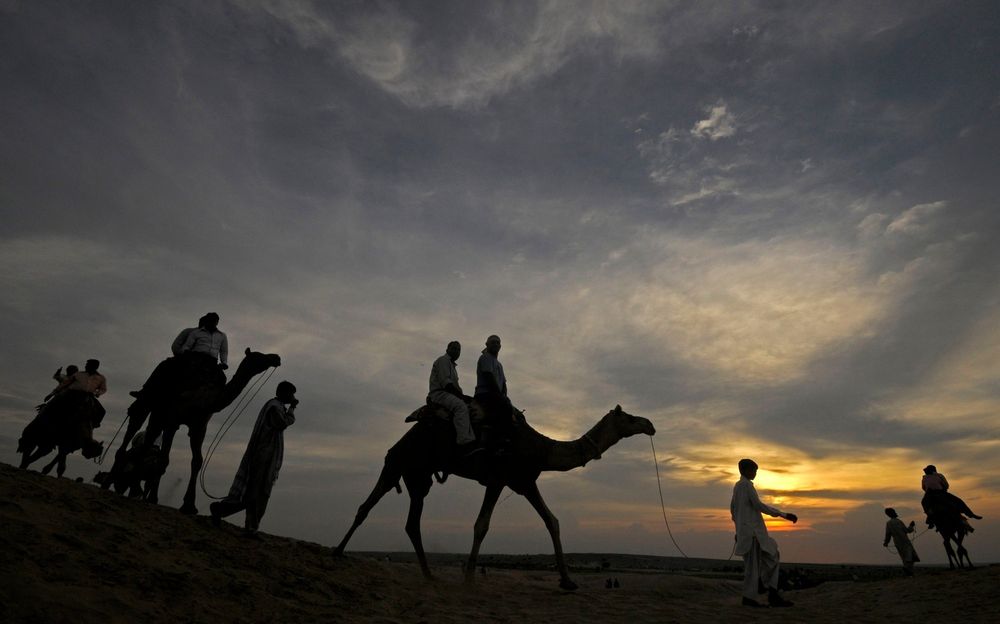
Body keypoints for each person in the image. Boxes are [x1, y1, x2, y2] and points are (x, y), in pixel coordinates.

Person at [210, 381, 298, 536]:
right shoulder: (274, 407)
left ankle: (244, 523)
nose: (292, 397)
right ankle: (225, 512)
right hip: (262, 455)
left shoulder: (276, 407)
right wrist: (292, 409)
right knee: (254, 493)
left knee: (258, 493)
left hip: (267, 456)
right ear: (284, 393)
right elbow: (282, 423)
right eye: (291, 394)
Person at [730, 458, 797, 608]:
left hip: (750, 534)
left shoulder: (737, 487)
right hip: (753, 534)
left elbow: (733, 511)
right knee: (755, 566)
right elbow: (758, 505)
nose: (755, 473)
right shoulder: (745, 485)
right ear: (745, 470)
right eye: (753, 470)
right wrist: (783, 514)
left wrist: (738, 530)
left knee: (771, 557)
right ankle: (754, 597)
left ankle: (769, 591)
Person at [428, 341, 477, 447]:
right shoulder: (443, 360)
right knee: (461, 407)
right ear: (447, 349)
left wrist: (465, 397)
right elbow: (447, 384)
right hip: (440, 394)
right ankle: (464, 440)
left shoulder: (452, 366)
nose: (456, 351)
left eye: (458, 350)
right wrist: (462, 397)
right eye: (454, 348)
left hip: (448, 394)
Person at [474, 335, 512, 427]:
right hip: (484, 394)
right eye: (493, 342)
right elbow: (488, 377)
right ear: (487, 345)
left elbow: (503, 383)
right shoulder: (485, 357)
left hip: (495, 394)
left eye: (497, 343)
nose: (495, 344)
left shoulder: (499, 364)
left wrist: (504, 396)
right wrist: (500, 396)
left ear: (500, 346)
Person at [883, 508, 919, 576]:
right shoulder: (899, 521)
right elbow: (907, 531)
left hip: (897, 543)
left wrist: (886, 543)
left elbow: (888, 535)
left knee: (904, 557)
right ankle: (907, 569)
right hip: (905, 541)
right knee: (909, 557)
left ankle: (909, 572)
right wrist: (911, 526)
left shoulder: (888, 523)